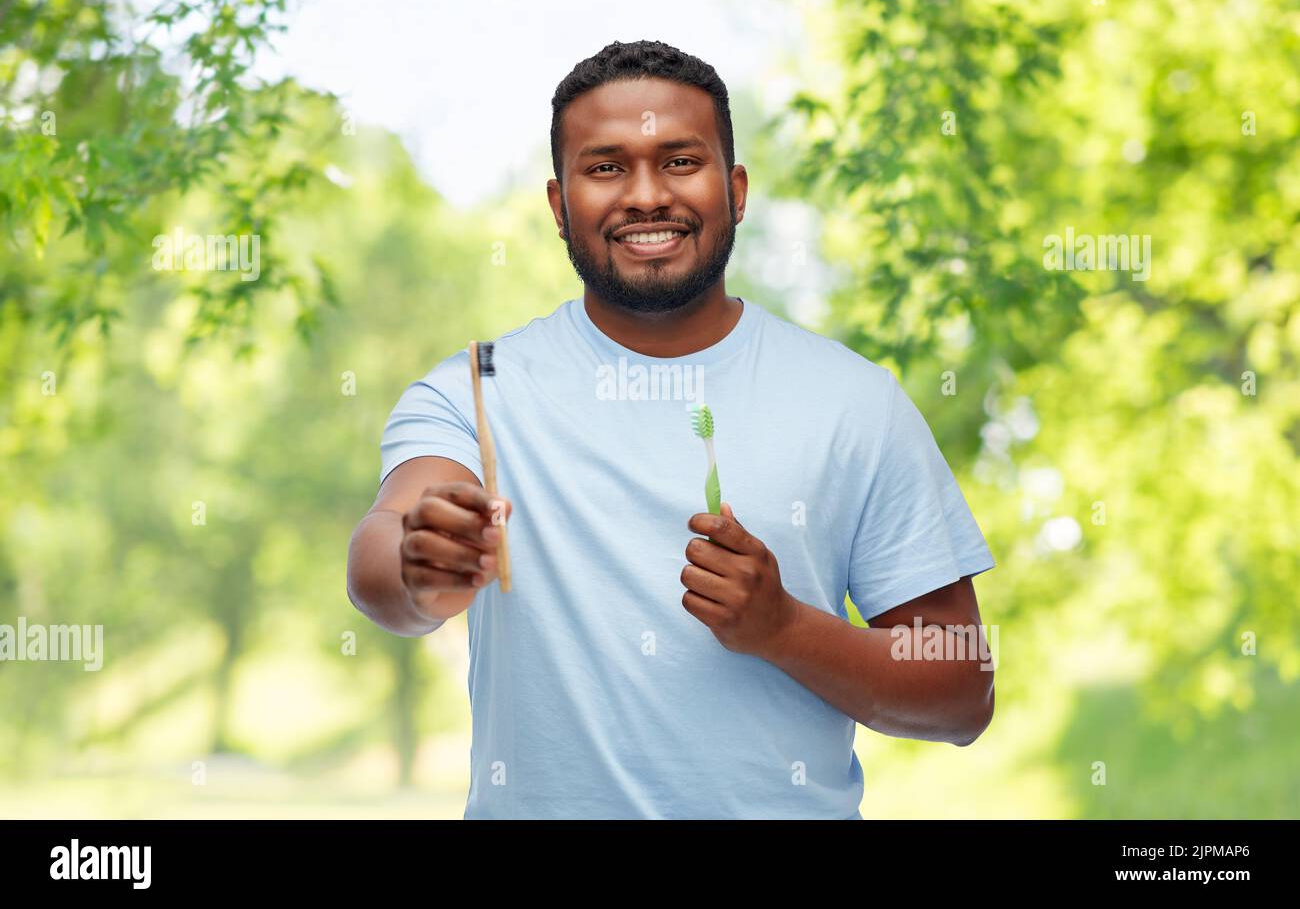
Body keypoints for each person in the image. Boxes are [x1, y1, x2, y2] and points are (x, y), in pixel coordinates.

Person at [346, 40, 997, 819]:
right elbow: (381, 557)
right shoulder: (479, 387)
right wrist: (422, 566)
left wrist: (785, 628)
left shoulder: (853, 399)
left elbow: (962, 686)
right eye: (606, 167)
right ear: (559, 205)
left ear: (737, 188)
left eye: (681, 161)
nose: (647, 195)